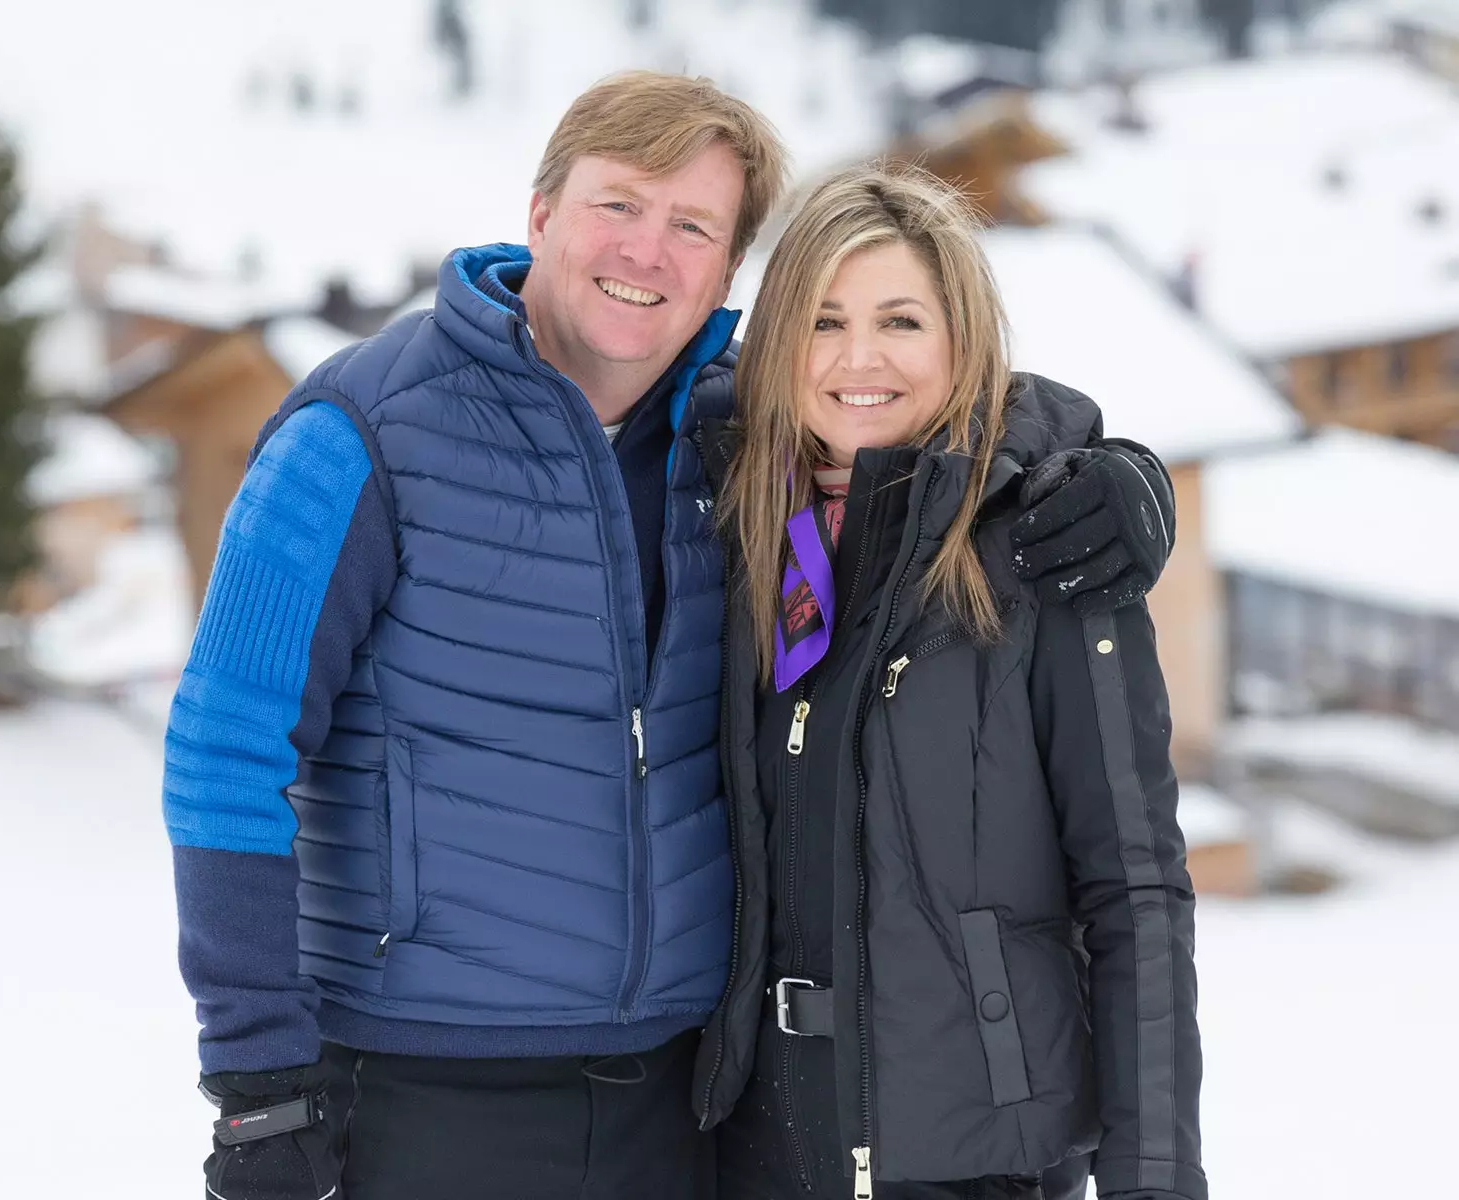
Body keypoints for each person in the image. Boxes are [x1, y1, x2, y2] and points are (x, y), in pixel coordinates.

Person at [162, 73, 1178, 1200]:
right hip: (428, 1084)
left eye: (691, 225)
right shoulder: (362, 434)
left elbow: (918, 388)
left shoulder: (733, 436)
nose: (648, 252)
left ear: (727, 270)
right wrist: (257, 1078)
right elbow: (224, 748)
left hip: (680, 1102)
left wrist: (1113, 472)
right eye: (618, 205)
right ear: (540, 213)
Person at [693, 163, 1204, 1200]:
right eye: (823, 321)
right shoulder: (746, 532)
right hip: (752, 1151)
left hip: (973, 1160)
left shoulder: (1048, 547)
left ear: (962, 339)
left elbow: (1134, 887)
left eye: (900, 322)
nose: (858, 359)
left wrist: (1154, 1176)